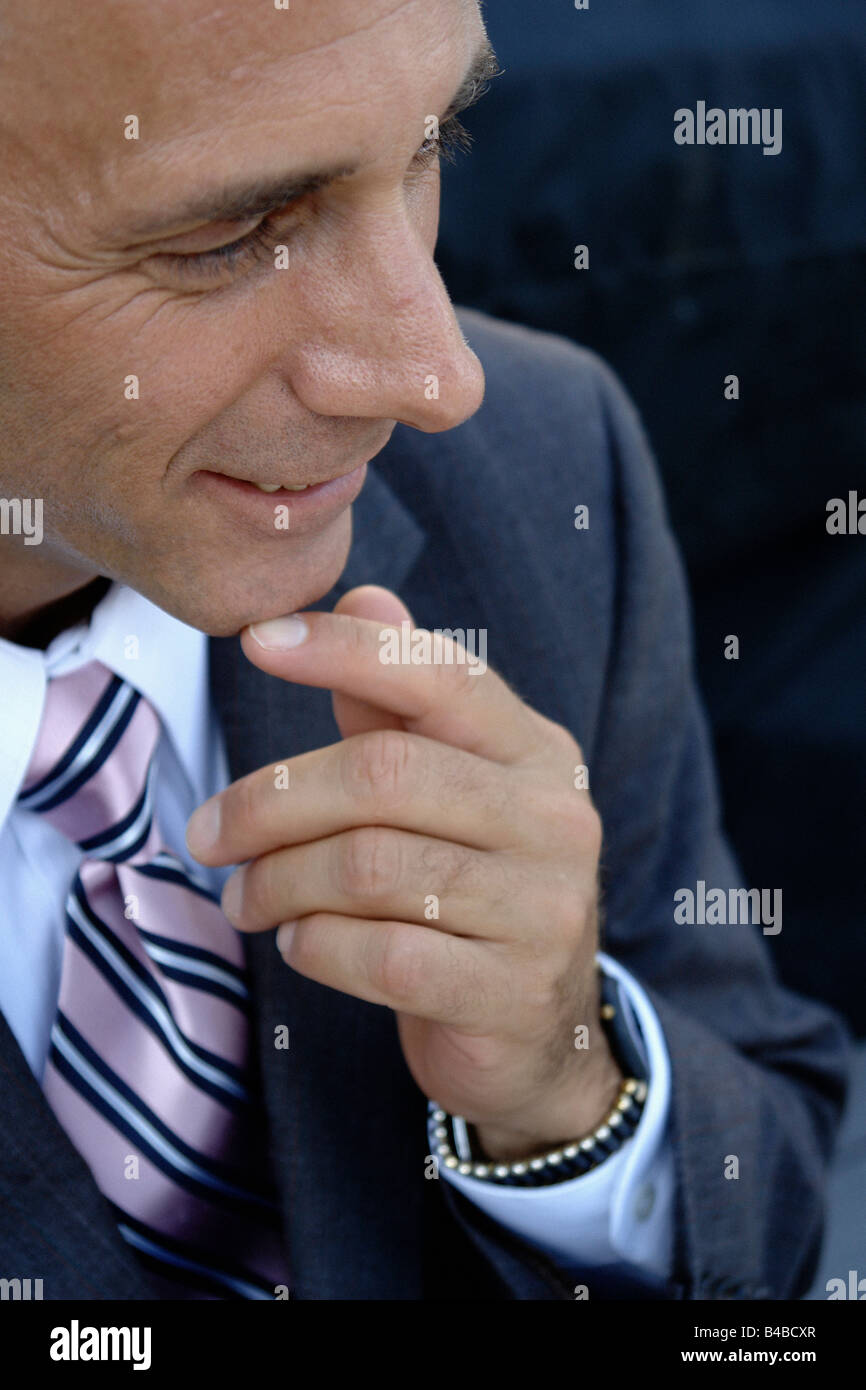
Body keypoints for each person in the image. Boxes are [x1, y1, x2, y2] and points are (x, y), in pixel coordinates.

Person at [0, 0, 848, 1301]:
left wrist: (565, 1091)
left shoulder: (539, 477)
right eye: (228, 234)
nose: (433, 375)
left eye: (433, 138)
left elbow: (775, 1192)